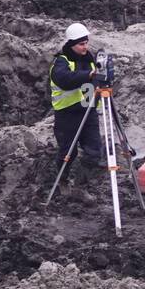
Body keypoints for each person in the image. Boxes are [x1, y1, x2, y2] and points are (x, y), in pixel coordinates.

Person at [48, 23, 109, 199]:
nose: (85, 47)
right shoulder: (61, 61)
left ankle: (80, 187)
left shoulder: (89, 59)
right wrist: (88, 75)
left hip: (88, 111)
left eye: (86, 43)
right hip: (67, 113)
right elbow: (64, 79)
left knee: (94, 151)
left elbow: (95, 81)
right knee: (68, 152)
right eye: (81, 44)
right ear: (71, 44)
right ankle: (63, 181)